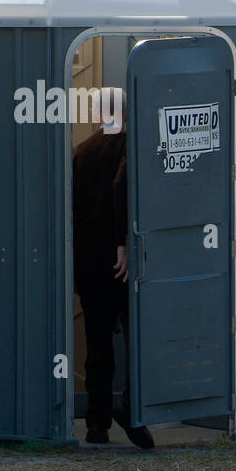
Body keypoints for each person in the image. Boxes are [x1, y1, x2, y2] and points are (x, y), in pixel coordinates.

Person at [72, 87, 153, 449]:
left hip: (89, 261)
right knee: (141, 339)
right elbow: (122, 186)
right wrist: (122, 243)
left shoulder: (81, 152)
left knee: (98, 345)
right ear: (124, 112)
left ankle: (96, 425)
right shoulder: (130, 147)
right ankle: (133, 407)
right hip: (122, 260)